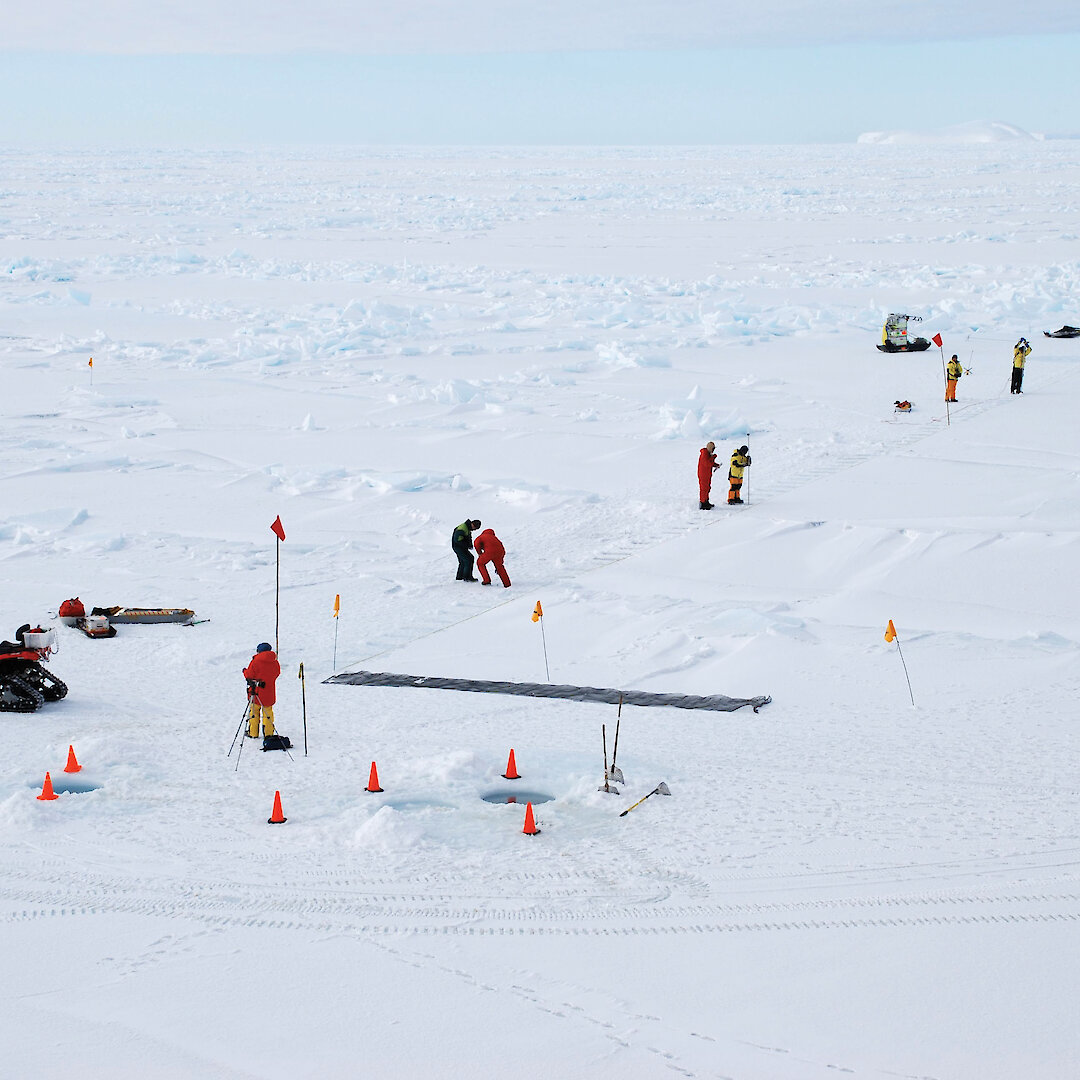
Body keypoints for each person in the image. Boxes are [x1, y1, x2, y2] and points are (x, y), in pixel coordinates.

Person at [243, 642, 280, 739]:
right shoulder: (275, 661)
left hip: (256, 692)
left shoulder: (255, 661)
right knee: (268, 713)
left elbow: (249, 675)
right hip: (269, 692)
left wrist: (244, 671)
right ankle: (268, 734)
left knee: (254, 712)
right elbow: (277, 673)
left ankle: (253, 733)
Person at [697, 441, 718, 509]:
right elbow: (707, 463)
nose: (713, 450)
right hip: (703, 475)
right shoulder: (704, 454)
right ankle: (703, 503)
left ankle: (706, 501)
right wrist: (714, 457)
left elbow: (710, 463)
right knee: (704, 489)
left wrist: (716, 465)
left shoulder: (708, 454)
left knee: (707, 488)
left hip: (707, 474)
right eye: (713, 448)